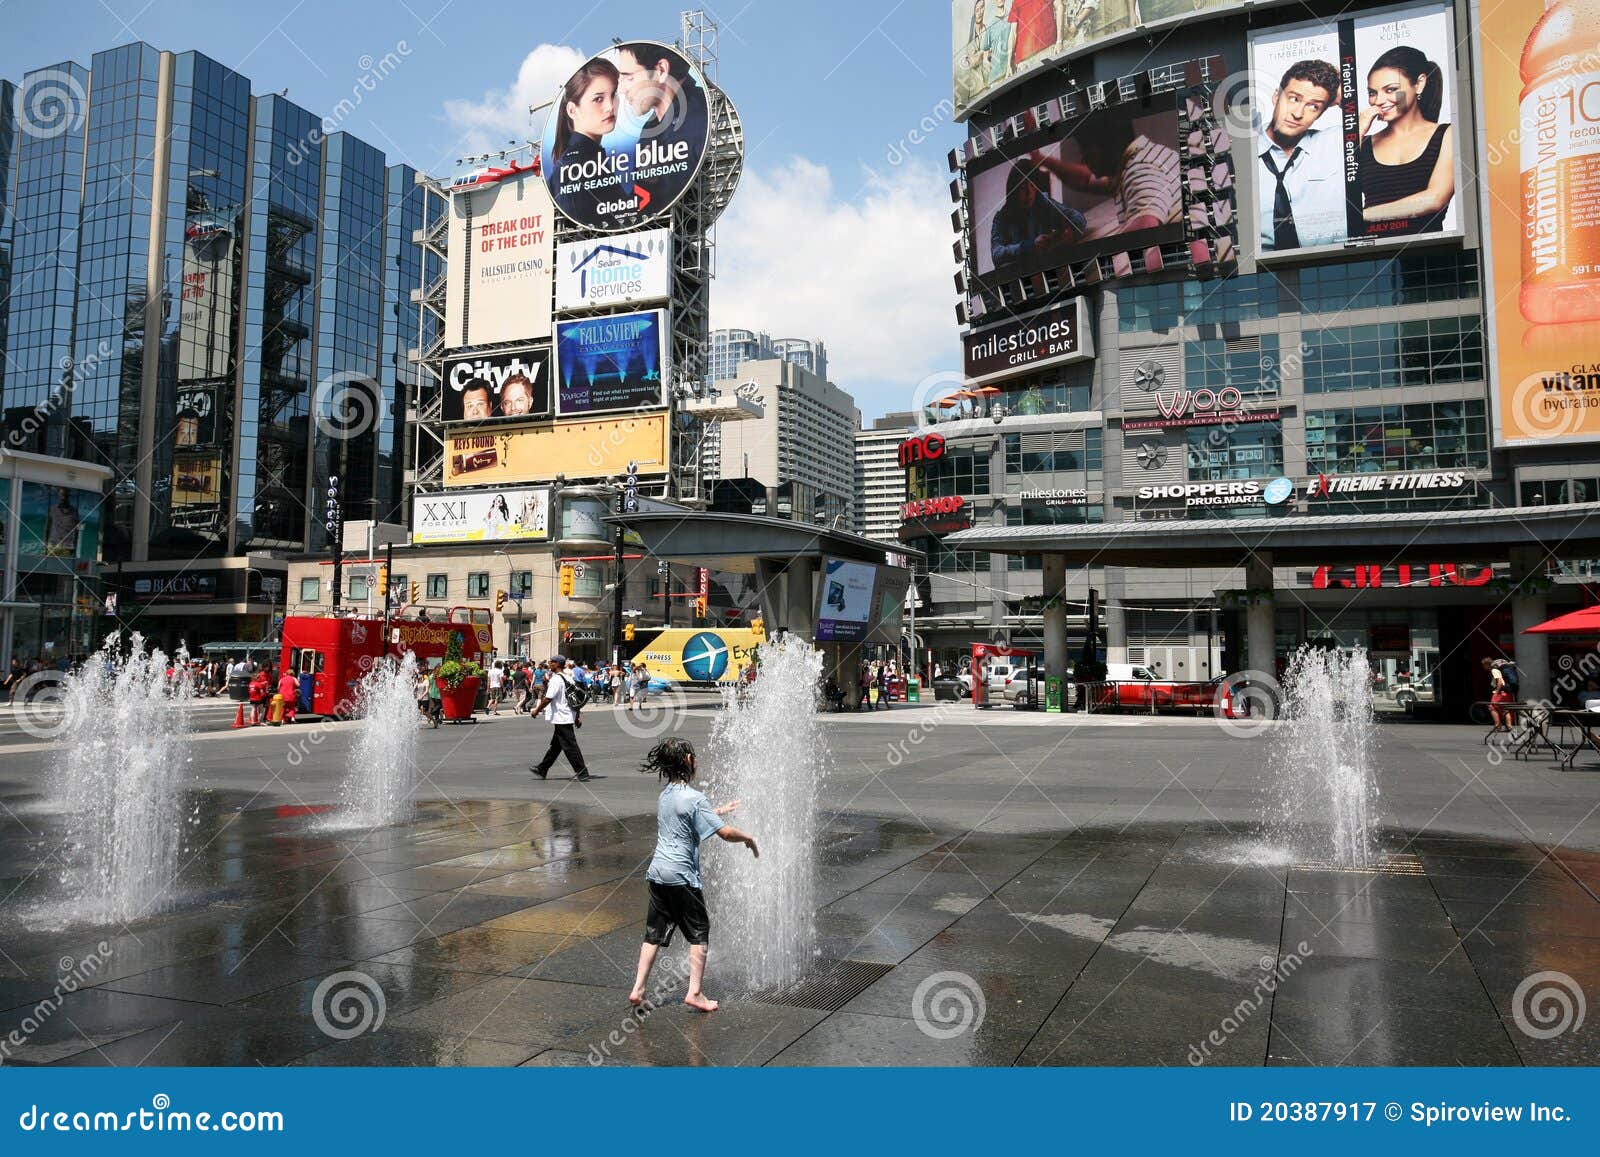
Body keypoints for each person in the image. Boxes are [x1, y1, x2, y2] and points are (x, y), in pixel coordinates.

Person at [628, 738, 758, 1013]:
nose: (697, 761)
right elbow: (724, 833)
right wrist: (748, 838)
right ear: (688, 761)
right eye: (694, 757)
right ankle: (695, 993)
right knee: (699, 933)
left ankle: (638, 988)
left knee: (654, 933)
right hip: (682, 877)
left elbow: (685, 816)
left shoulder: (666, 795)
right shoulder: (695, 798)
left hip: (658, 874)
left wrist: (718, 811)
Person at [1356, 46, 1454, 235]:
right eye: (1372, 93)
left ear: (1419, 84)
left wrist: (1362, 215)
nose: (1378, 101)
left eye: (1391, 90)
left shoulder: (1447, 134)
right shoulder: (1364, 144)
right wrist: (1356, 135)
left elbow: (1435, 199)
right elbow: (1335, 201)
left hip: (1429, 254)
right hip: (1371, 255)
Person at [1256, 59, 1345, 252]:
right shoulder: (1240, 152)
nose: (1298, 113)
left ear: (1322, 113)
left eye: (1313, 106)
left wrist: (1337, 96)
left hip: (1325, 266)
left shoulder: (1335, 142)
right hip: (1256, 271)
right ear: (1276, 96)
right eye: (1294, 98)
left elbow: (1378, 107)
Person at [550, 57, 621, 222]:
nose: (610, 106)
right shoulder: (575, 167)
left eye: (613, 94)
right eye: (598, 99)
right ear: (572, 110)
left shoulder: (588, 160)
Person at [989, 158, 1089, 270]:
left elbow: (1078, 218)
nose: (1029, 193)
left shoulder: (1042, 202)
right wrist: (1030, 246)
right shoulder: (1001, 218)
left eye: (1032, 185)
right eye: (1022, 188)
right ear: (1013, 191)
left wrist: (1069, 233)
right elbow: (997, 254)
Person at [529, 655, 592, 782]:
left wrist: (536, 710)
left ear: (557, 664)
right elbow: (574, 698)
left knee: (570, 746)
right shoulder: (568, 678)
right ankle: (543, 768)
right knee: (556, 746)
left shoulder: (556, 679)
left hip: (562, 717)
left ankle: (582, 772)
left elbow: (548, 698)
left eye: (552, 662)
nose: (550, 664)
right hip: (567, 715)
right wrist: (577, 716)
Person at [1484, 657, 1513, 732]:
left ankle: (1498, 726)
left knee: (1492, 707)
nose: (1483, 667)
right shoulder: (1497, 670)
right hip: (1505, 692)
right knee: (1504, 709)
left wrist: (1496, 692)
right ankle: (1509, 726)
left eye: (1484, 665)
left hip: (1500, 692)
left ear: (1487, 665)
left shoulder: (1494, 670)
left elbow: (1499, 682)